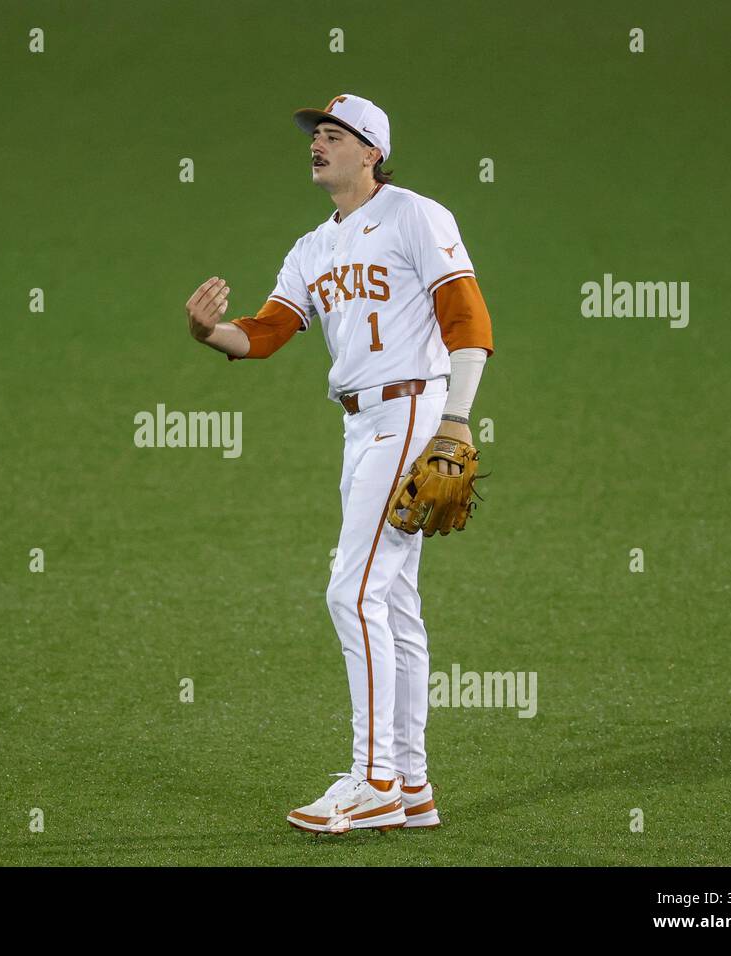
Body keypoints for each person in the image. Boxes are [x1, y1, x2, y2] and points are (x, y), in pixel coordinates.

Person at [185, 94, 495, 834]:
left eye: (332, 134)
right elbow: (264, 333)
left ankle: (373, 778)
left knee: (349, 591)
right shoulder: (312, 248)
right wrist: (209, 332)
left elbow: (470, 324)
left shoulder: (418, 216)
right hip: (360, 428)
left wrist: (455, 422)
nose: (317, 144)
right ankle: (412, 789)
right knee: (392, 602)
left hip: (415, 414)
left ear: (371, 150)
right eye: (314, 135)